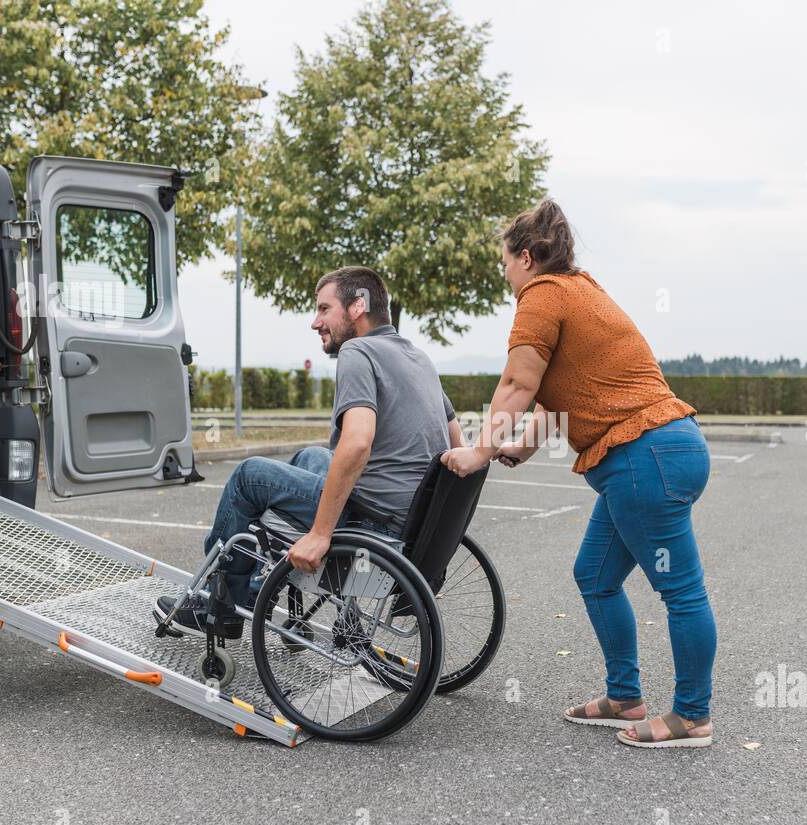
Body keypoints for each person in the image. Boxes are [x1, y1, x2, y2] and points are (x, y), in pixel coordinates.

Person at [441, 200, 717, 749]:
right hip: (656, 451)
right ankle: (625, 697)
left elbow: (519, 383)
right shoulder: (582, 290)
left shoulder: (541, 295)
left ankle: (692, 716)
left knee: (681, 590)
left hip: (645, 456)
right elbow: (560, 391)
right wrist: (521, 445)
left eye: (505, 263)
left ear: (526, 257)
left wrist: (479, 451)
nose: (504, 276)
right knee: (594, 575)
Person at [156, 266, 462, 639]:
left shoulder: (358, 350)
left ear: (357, 306)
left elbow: (357, 441)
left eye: (323, 308)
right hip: (414, 520)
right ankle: (257, 589)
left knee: (249, 475)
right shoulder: (418, 357)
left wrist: (320, 533)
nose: (314, 322)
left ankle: (219, 605)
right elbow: (455, 441)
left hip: (375, 522)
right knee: (310, 457)